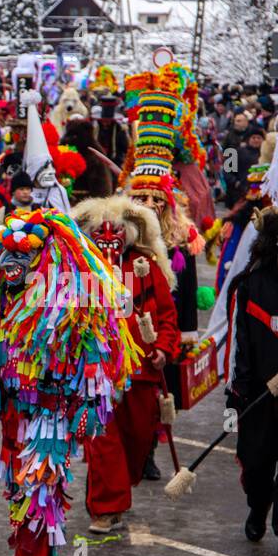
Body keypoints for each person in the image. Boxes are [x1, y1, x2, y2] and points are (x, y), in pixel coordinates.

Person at [0, 209, 138, 556]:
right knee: (18, 486)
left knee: (38, 483)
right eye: (6, 254)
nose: (11, 263)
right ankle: (46, 549)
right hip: (15, 410)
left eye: (22, 255)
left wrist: (90, 404)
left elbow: (94, 359)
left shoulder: (74, 304)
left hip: (51, 411)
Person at [73, 195, 180, 534]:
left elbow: (167, 316)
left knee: (136, 438)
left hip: (141, 371)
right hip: (96, 371)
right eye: (101, 230)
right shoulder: (81, 269)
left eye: (115, 230)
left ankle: (119, 486)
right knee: (102, 440)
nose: (108, 236)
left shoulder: (143, 267)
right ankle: (105, 506)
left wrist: (164, 348)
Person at [226, 207, 278, 556]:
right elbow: (238, 349)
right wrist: (237, 397)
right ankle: (258, 507)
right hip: (259, 398)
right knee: (258, 466)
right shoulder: (249, 286)